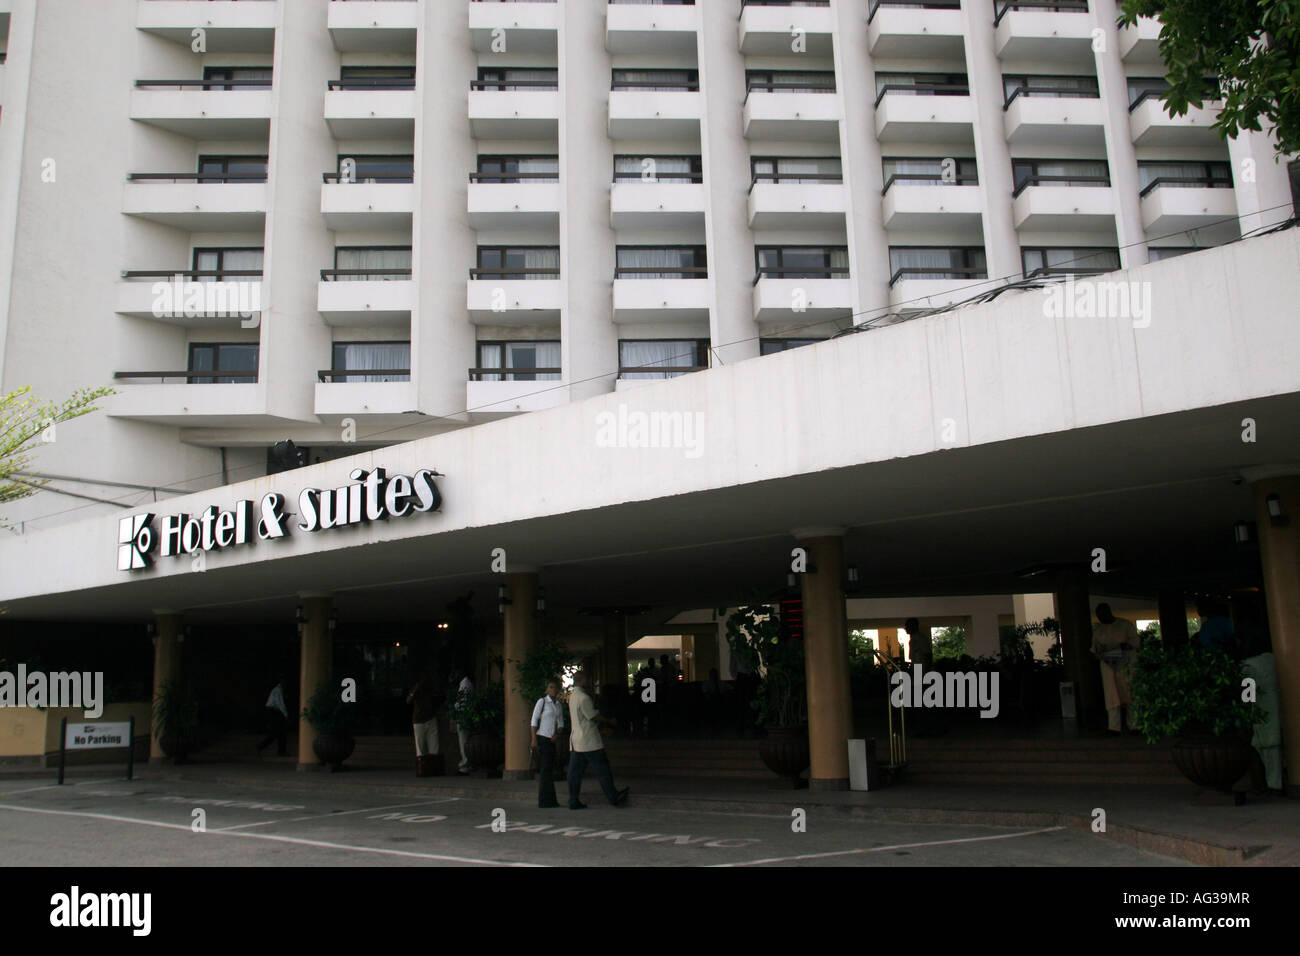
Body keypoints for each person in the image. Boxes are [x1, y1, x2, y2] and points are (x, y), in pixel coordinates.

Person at [566, 670, 628, 809]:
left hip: (576, 740)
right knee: (602, 769)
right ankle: (613, 796)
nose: (588, 682)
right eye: (587, 679)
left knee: (574, 772)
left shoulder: (573, 696)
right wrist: (609, 721)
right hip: (589, 740)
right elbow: (592, 716)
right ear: (582, 681)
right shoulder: (583, 698)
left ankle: (573, 799)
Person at [1091, 603, 1141, 734]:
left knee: (1130, 694)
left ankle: (1134, 725)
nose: (1101, 617)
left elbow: (1136, 643)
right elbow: (1094, 650)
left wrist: (1123, 647)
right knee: (1112, 697)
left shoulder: (1125, 625)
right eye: (1099, 615)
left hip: (1126, 665)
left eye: (1103, 614)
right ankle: (1114, 727)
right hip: (1108, 668)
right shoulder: (1098, 631)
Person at [530, 679, 566, 808]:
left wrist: (557, 734)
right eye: (551, 687)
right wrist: (533, 738)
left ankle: (551, 800)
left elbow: (561, 723)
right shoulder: (542, 702)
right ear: (547, 689)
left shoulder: (558, 705)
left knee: (549, 769)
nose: (553, 690)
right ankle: (544, 801)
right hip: (542, 737)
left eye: (555, 688)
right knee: (545, 769)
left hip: (552, 739)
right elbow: (534, 720)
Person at [407, 674, 445, 777]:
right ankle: (424, 768)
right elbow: (408, 700)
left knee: (432, 745)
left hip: (428, 718)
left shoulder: (431, 690)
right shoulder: (418, 689)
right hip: (421, 720)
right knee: (422, 746)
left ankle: (431, 768)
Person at [256, 679, 289, 757]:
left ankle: (281, 751)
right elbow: (280, 704)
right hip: (274, 712)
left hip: (274, 712)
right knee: (277, 733)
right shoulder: (278, 690)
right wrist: (286, 715)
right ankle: (261, 746)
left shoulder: (278, 690)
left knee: (280, 733)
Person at [451, 669, 474, 775]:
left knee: (463, 741)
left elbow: (463, 702)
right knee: (463, 740)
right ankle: (465, 764)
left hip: (463, 716)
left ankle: (465, 765)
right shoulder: (464, 683)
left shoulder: (465, 684)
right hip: (462, 716)